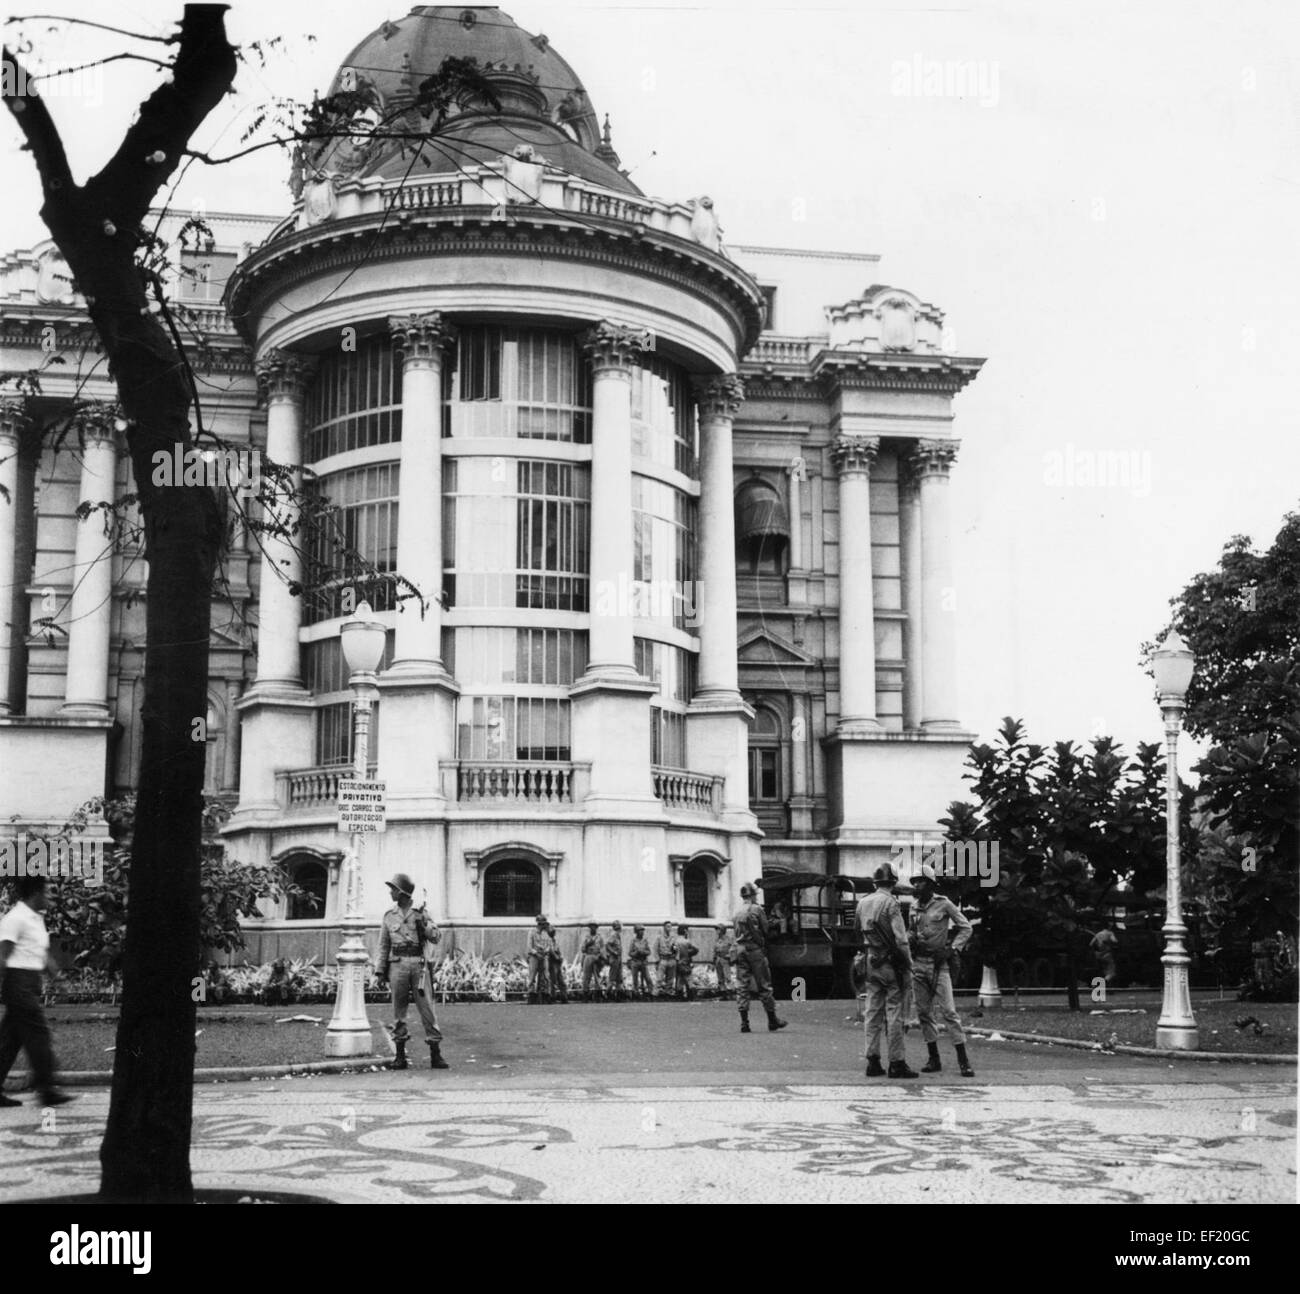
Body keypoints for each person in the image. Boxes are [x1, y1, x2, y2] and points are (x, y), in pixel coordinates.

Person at [0, 876, 75, 1108]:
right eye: (48, 892)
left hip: (30, 983)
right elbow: (2, 955)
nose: (51, 897)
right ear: (36, 893)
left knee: (9, 1041)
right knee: (39, 1035)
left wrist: (57, 978)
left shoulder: (35, 919)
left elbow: (40, 953)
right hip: (18, 983)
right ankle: (47, 1090)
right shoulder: (16, 918)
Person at [908, 864, 974, 1076]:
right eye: (915, 881)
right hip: (919, 964)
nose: (916, 885)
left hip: (939, 965)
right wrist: (911, 940)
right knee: (924, 1013)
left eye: (920, 881)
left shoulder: (944, 904)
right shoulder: (913, 907)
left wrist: (952, 948)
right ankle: (933, 1058)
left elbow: (966, 927)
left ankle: (963, 1060)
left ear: (930, 884)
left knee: (949, 1012)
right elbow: (911, 930)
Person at [377, 873, 448, 1069]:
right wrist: (379, 971)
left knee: (427, 1009)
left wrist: (424, 925)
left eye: (393, 889)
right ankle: (400, 1056)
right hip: (397, 965)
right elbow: (383, 945)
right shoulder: (389, 916)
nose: (390, 892)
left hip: (419, 965)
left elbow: (436, 937)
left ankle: (436, 1053)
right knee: (398, 1010)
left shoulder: (421, 913)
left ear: (401, 892)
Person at [856, 863, 917, 1078]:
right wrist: (908, 963)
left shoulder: (863, 903)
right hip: (891, 964)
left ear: (875, 882)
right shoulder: (891, 903)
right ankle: (897, 1063)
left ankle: (872, 1061)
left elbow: (858, 931)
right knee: (895, 1014)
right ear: (893, 882)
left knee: (871, 1012)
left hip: (871, 962)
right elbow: (901, 939)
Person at [732, 883, 787, 1034]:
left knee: (742, 986)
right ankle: (772, 1020)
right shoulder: (757, 909)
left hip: (740, 949)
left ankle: (744, 1023)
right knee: (764, 985)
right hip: (754, 950)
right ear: (753, 895)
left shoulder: (736, 911)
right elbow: (765, 929)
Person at [527, 914, 552, 1004]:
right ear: (538, 924)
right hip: (534, 956)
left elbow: (549, 945)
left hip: (544, 956)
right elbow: (529, 947)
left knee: (546, 976)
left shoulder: (546, 934)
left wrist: (545, 951)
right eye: (542, 924)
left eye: (544, 924)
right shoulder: (532, 932)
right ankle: (531, 995)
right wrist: (536, 953)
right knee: (532, 976)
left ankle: (545, 995)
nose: (543, 926)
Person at [580, 922, 605, 1001]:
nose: (592, 928)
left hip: (597, 956)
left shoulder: (599, 937)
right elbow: (583, 949)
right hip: (588, 956)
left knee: (597, 976)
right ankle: (585, 994)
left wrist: (601, 957)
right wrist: (587, 944)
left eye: (594, 927)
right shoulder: (586, 937)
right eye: (591, 927)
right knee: (586, 976)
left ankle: (598, 994)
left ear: (596, 928)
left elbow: (603, 948)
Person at [546, 921, 568, 1003]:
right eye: (551, 931)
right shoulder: (547, 940)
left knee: (561, 980)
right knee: (553, 980)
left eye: (553, 931)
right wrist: (557, 956)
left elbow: (558, 949)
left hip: (557, 961)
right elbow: (551, 950)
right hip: (552, 960)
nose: (553, 932)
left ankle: (564, 996)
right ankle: (552, 997)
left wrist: (560, 957)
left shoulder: (554, 940)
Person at [674, 924, 699, 1000]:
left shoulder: (675, 941)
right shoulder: (687, 942)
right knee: (689, 980)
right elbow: (696, 949)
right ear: (685, 931)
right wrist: (689, 952)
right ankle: (692, 996)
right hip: (685, 963)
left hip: (678, 963)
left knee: (680, 981)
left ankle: (679, 996)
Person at [654, 920, 678, 999]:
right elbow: (655, 949)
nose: (669, 928)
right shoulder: (659, 937)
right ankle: (655, 993)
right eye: (667, 926)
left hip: (671, 959)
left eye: (670, 926)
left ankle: (668, 992)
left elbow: (677, 948)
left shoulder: (674, 937)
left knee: (670, 978)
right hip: (663, 959)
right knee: (659, 978)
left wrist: (676, 958)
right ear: (664, 927)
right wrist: (657, 960)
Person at [628, 925, 652, 998]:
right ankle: (635, 993)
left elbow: (649, 951)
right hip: (635, 961)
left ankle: (651, 992)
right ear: (636, 932)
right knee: (635, 979)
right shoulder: (633, 941)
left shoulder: (645, 940)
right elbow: (630, 953)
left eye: (642, 930)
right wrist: (636, 952)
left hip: (643, 961)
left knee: (648, 978)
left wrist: (643, 952)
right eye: (640, 930)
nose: (642, 932)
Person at [713, 923, 736, 998]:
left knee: (727, 976)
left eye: (718, 929)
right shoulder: (717, 939)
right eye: (716, 929)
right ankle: (723, 991)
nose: (717, 931)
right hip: (718, 959)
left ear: (722, 930)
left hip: (725, 959)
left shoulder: (728, 939)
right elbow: (715, 950)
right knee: (720, 976)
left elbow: (733, 948)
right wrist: (713, 959)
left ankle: (730, 991)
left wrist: (730, 957)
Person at [604, 921, 625, 1001]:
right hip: (614, 959)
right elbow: (607, 945)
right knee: (612, 978)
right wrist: (614, 952)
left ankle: (618, 994)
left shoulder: (617, 935)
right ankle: (607, 994)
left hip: (618, 959)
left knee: (619, 978)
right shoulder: (614, 935)